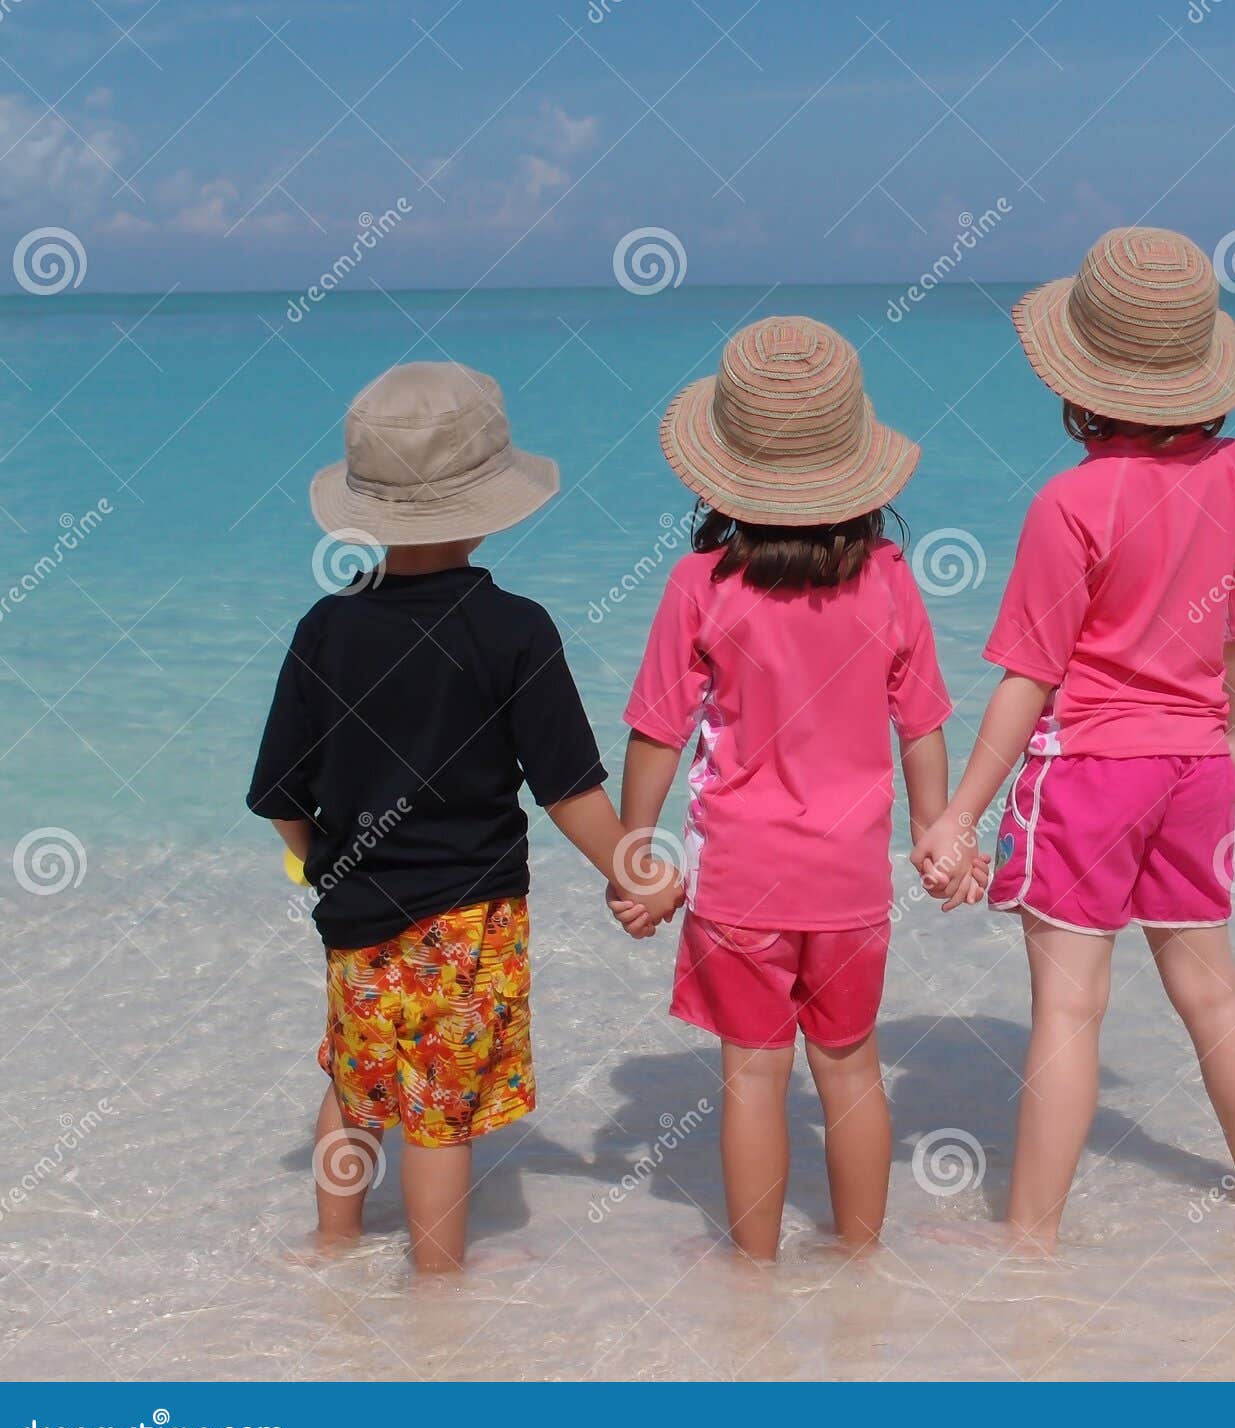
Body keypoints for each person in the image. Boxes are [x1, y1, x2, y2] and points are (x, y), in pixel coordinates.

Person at [248, 361, 680, 1273]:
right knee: (439, 1112)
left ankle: (330, 1246)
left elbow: (280, 793)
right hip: (467, 919)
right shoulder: (515, 630)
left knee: (355, 1081)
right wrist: (635, 870)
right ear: (487, 505)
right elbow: (567, 792)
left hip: (354, 915)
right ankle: (439, 1289)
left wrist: (319, 864)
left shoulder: (324, 628)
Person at [913, 227, 1235, 1249]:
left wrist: (955, 812)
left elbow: (1029, 677)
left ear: (1079, 378)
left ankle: (1030, 1235)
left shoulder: (1070, 502)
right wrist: (1225, 735)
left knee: (1070, 1008)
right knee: (1212, 989)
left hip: (1089, 773)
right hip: (1196, 764)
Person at [610, 316, 983, 1261]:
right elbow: (922, 722)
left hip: (743, 880)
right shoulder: (891, 579)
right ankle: (860, 1260)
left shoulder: (702, 582)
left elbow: (659, 727)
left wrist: (635, 846)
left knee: (752, 1075)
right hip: (851, 884)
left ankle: (754, 1275)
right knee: (851, 1066)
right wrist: (936, 828)